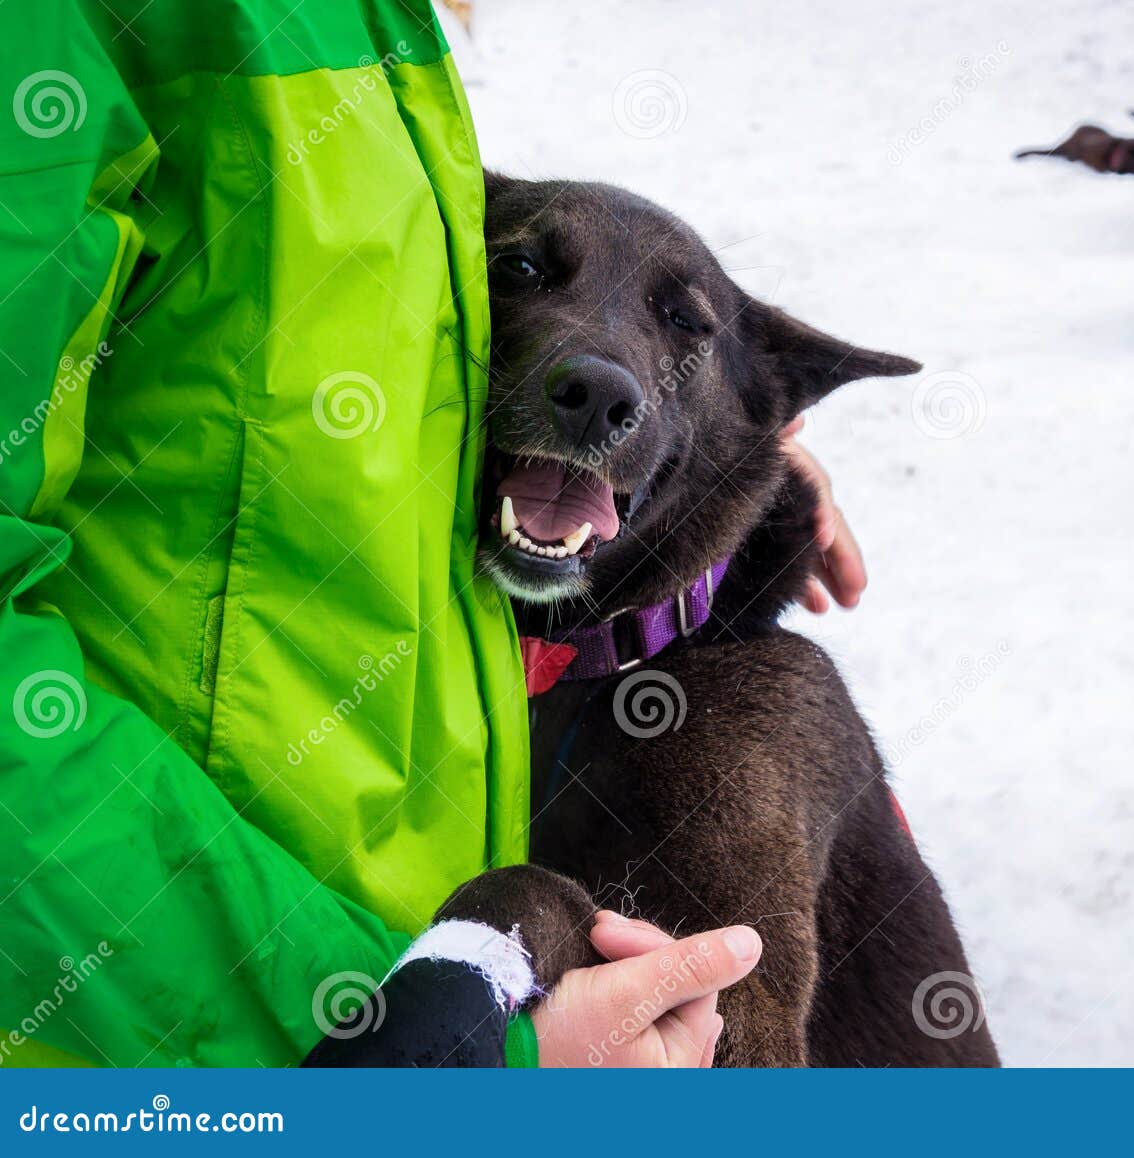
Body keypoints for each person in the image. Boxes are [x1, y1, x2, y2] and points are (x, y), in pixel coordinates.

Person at [0, 0, 864, 1067]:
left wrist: (721, 455)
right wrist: (444, 1049)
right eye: (523, 272)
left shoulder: (387, 48)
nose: (601, 368)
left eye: (681, 327)